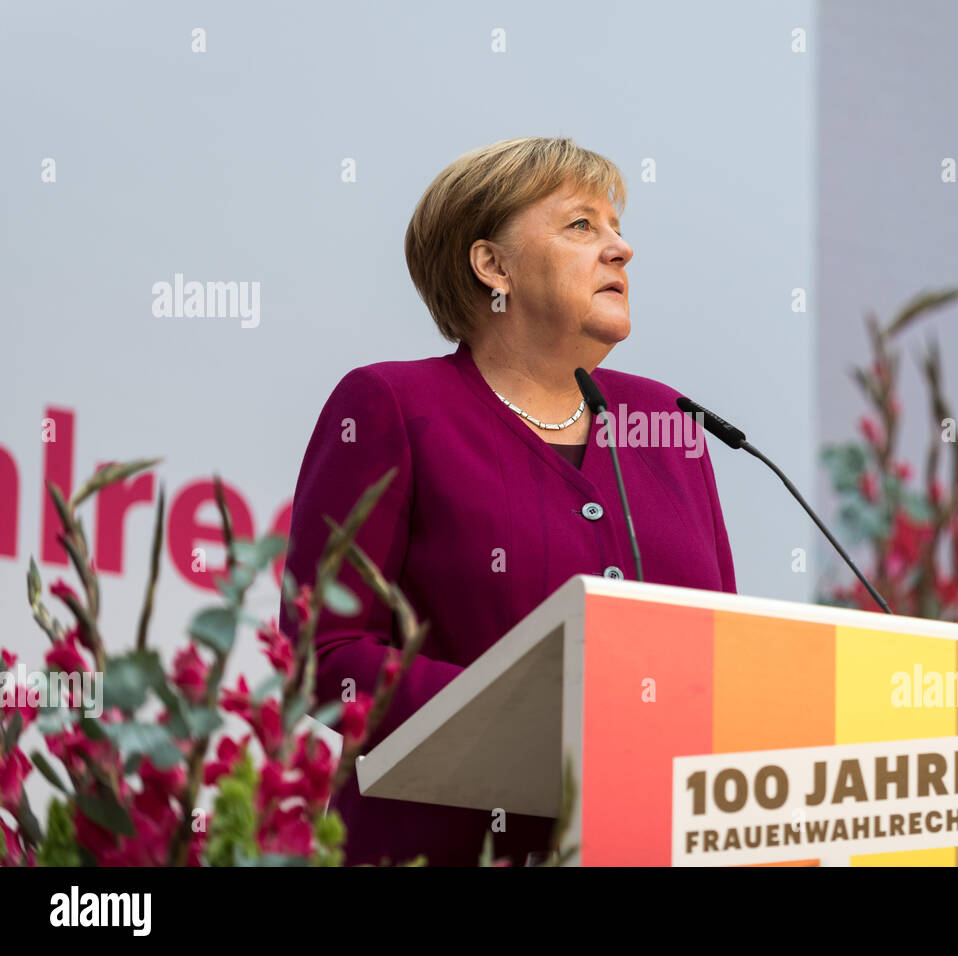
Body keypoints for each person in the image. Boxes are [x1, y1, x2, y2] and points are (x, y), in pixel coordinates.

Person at [278, 136, 736, 866]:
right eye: (582, 226)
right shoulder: (393, 405)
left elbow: (724, 649)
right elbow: (321, 653)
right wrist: (528, 714)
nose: (620, 249)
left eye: (616, 227)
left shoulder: (670, 422)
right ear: (493, 265)